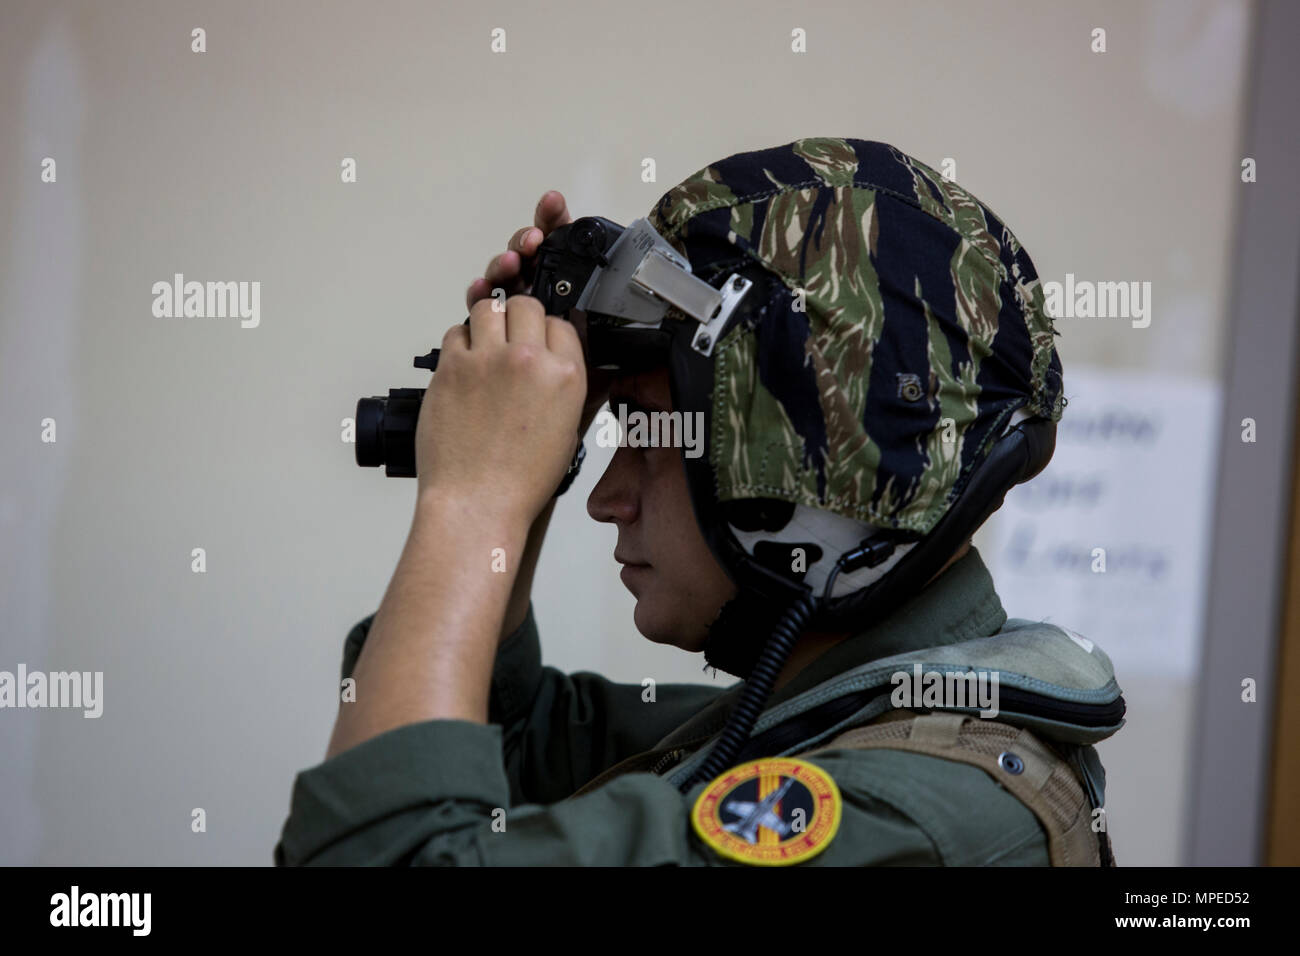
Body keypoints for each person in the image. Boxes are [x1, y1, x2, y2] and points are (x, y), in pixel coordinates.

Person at [275, 138, 1124, 866]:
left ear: (825, 473)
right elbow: (511, 739)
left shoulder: (903, 822)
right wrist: (523, 460)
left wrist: (473, 499)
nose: (605, 500)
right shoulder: (829, 709)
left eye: (647, 430)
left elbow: (380, 850)